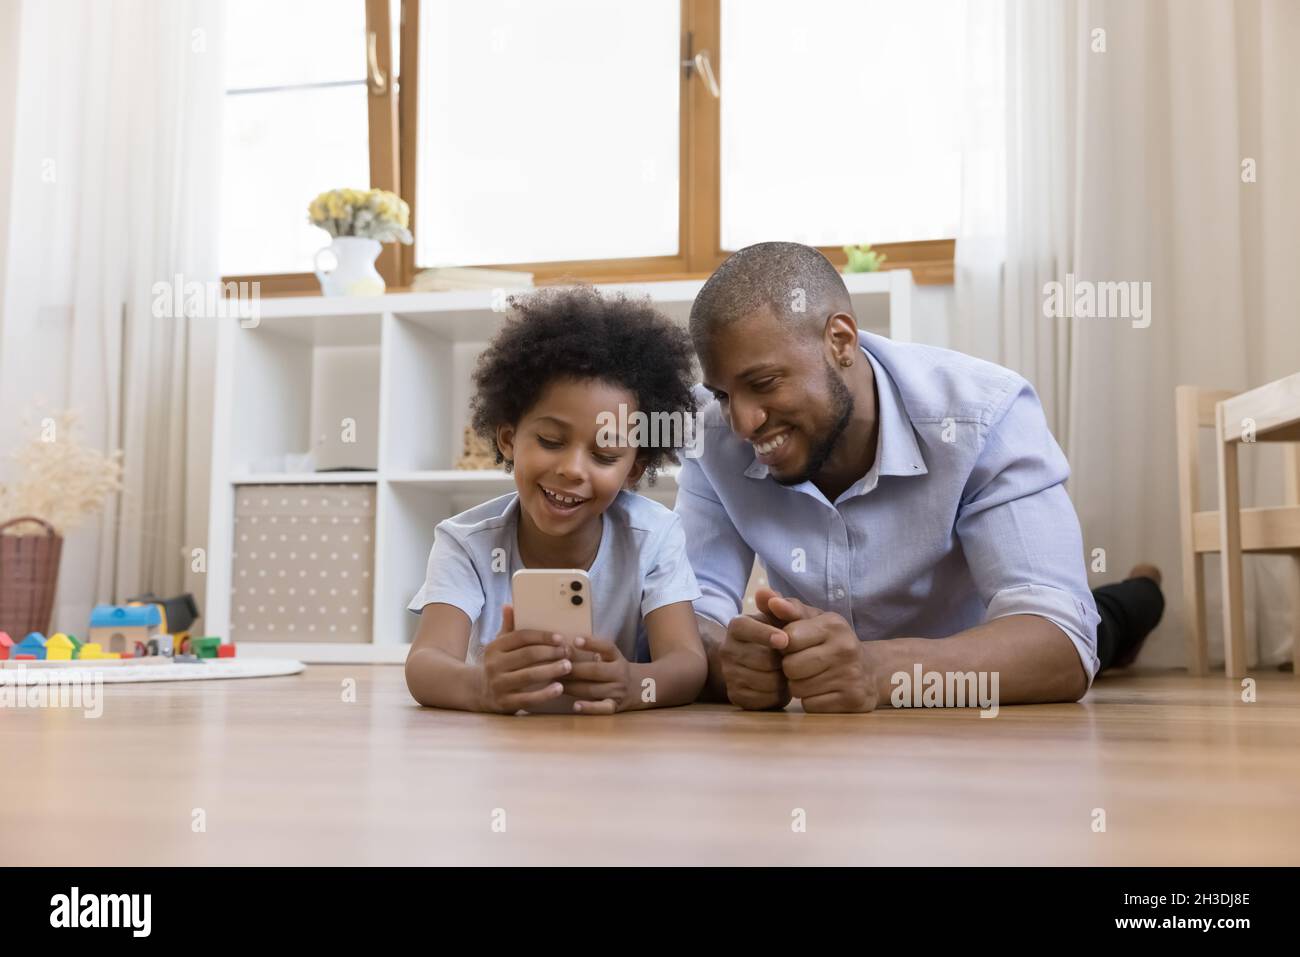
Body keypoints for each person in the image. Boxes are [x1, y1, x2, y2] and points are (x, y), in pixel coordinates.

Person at [676, 242, 1164, 713]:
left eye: (763, 384)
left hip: (986, 648)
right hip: (831, 666)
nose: (742, 423)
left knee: (1108, 622)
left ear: (840, 341)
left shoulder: (984, 415)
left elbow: (1060, 642)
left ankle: (1145, 588)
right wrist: (729, 661)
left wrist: (873, 669)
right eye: (722, 394)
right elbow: (686, 615)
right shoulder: (711, 436)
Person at [404, 287, 707, 714]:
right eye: (550, 441)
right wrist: (481, 688)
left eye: (604, 455)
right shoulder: (466, 543)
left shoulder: (654, 536)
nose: (573, 469)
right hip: (501, 752)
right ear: (508, 439)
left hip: (614, 749)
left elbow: (688, 663)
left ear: (634, 469)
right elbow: (424, 664)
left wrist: (632, 685)